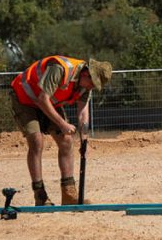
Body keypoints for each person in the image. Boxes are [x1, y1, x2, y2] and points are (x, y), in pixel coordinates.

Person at [9, 56, 112, 205]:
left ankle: (69, 195)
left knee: (67, 140)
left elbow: (83, 112)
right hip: (24, 98)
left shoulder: (84, 86)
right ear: (85, 73)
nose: (91, 87)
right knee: (36, 141)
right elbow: (42, 99)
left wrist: (84, 141)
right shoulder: (60, 69)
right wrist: (63, 124)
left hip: (48, 102)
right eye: (92, 83)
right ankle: (40, 196)